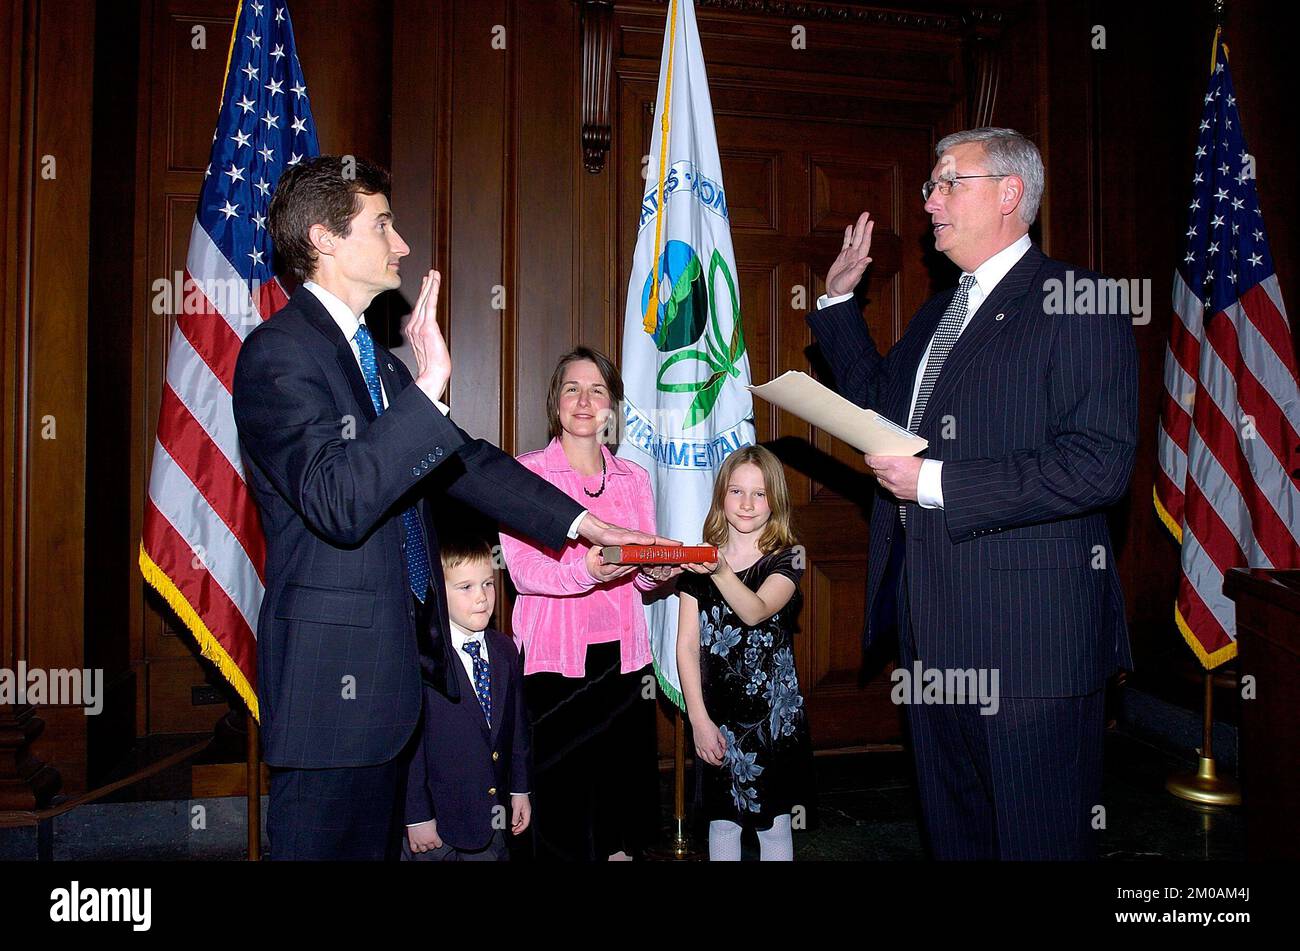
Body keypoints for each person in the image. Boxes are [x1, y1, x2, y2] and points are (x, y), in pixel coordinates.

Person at [232, 156, 660, 860]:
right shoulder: (278, 355)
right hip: (329, 698)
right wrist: (427, 389)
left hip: (397, 686)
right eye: (384, 225)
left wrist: (584, 522)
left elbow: (466, 464)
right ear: (325, 237)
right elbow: (338, 500)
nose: (401, 245)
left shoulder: (379, 363)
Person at [806, 127, 1137, 859]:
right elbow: (881, 413)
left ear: (1011, 192)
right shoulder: (941, 313)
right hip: (934, 643)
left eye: (949, 182)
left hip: (1031, 656)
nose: (929, 201)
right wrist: (836, 306)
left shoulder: (1079, 301)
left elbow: (1098, 464)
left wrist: (937, 482)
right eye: (930, 185)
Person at [497, 347, 672, 861]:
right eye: (572, 388)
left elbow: (640, 571)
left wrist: (656, 571)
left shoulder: (634, 479)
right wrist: (586, 572)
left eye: (597, 390)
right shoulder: (524, 475)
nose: (584, 400)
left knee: (618, 806)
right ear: (556, 403)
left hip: (624, 662)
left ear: (611, 406)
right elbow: (525, 574)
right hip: (556, 665)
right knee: (562, 807)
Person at [675, 445, 811, 862]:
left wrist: (719, 570)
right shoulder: (698, 562)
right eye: (737, 491)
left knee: (773, 825)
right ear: (721, 496)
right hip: (717, 716)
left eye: (760, 493)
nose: (747, 503)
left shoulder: (787, 559)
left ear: (776, 502)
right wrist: (698, 719)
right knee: (722, 821)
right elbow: (685, 646)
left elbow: (753, 611)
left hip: (772, 720)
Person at [402, 533, 529, 861]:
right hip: (436, 826)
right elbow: (411, 746)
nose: (483, 598)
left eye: (488, 583)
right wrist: (416, 814)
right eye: (466, 587)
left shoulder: (505, 650)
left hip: (492, 821)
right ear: (437, 593)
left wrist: (519, 789)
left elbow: (516, 732)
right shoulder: (421, 658)